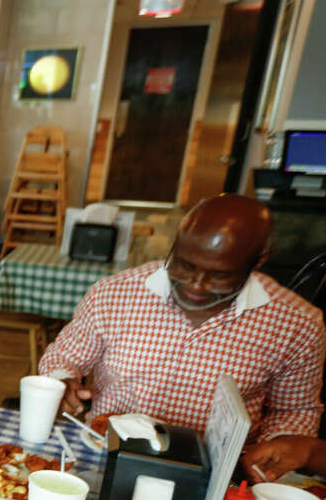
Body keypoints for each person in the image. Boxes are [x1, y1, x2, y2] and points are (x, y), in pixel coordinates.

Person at [39, 194, 325, 468]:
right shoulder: (115, 293)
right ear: (176, 244)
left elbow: (295, 410)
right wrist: (61, 380)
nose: (197, 284)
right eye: (185, 265)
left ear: (260, 260)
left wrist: (280, 444)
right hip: (105, 454)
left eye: (220, 275)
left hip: (212, 474)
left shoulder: (297, 324)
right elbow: (65, 356)